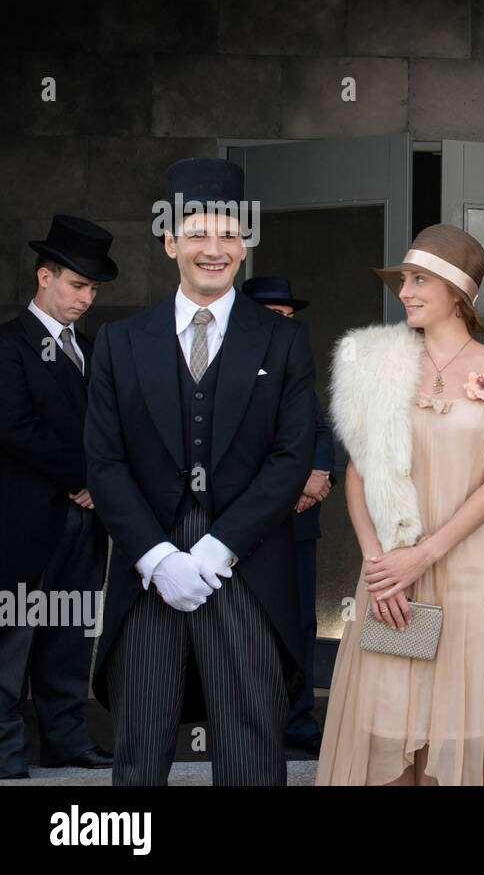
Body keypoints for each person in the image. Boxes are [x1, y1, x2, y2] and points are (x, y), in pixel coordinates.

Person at [85, 157, 317, 786]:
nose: (214, 248)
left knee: (250, 749)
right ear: (170, 241)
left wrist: (217, 549)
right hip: (148, 577)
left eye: (229, 233)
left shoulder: (282, 341)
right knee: (139, 749)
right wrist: (159, 558)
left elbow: (290, 457)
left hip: (244, 572)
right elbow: (104, 462)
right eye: (197, 233)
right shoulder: (119, 342)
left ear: (245, 242)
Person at [317, 224, 484, 786]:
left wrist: (426, 554)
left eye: (420, 280)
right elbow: (358, 477)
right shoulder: (381, 363)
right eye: (404, 280)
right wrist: (378, 565)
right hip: (392, 576)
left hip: (467, 573)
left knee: (457, 735)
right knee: (386, 733)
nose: (405, 291)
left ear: (458, 294)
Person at [0, 216, 117, 779]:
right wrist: (82, 477)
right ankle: (4, 750)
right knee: (13, 636)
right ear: (44, 276)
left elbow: (113, 430)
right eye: (77, 284)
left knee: (70, 634)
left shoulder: (94, 350)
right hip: (25, 519)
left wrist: (103, 482)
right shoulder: (7, 344)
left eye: (93, 288)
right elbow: (13, 426)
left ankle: (67, 741)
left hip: (87, 520)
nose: (85, 297)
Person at [241, 276, 336, 754]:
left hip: (297, 521)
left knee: (300, 622)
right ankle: (250, 725)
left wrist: (320, 473)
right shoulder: (224, 361)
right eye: (276, 316)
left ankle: (299, 722)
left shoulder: (295, 363)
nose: (286, 325)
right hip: (245, 524)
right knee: (248, 625)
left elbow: (318, 427)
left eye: (290, 317)